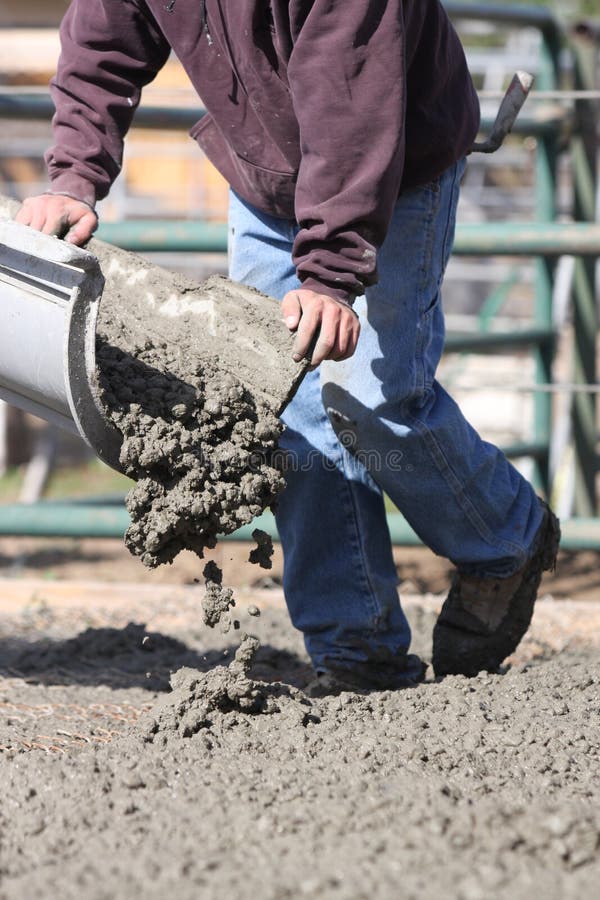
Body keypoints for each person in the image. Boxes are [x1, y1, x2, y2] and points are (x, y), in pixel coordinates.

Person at [18, 1, 560, 693]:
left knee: (373, 399)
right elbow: (102, 41)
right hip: (267, 177)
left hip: (393, 167)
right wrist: (74, 174)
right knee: (276, 407)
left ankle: (506, 539)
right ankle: (357, 650)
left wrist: (330, 275)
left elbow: (354, 102)